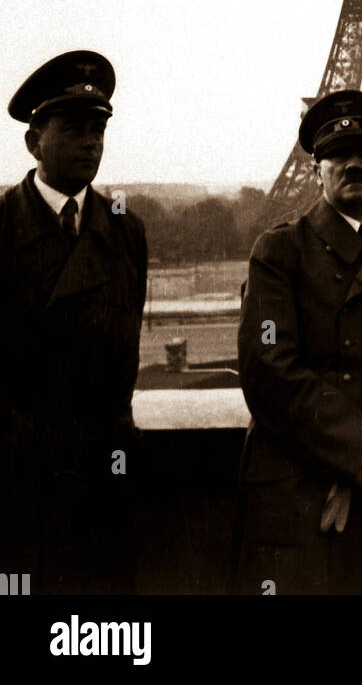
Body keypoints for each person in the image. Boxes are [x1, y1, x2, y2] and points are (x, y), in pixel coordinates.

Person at [235, 89, 362, 595]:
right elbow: (267, 367)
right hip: (301, 492)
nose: (353, 164)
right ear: (316, 170)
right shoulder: (278, 250)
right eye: (337, 155)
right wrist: (356, 454)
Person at [0, 51, 147, 594]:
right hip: (19, 477)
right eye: (74, 128)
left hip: (102, 477)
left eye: (98, 130)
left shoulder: (127, 232)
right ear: (34, 140)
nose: (91, 142)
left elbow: (123, 359)